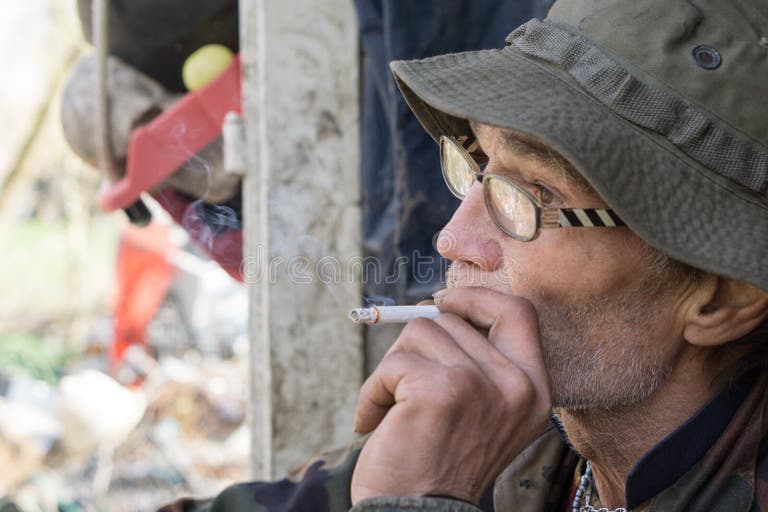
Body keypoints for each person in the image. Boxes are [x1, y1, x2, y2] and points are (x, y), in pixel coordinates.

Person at [161, 0, 768, 510]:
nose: (452, 239)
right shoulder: (500, 433)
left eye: (533, 195)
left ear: (721, 297)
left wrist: (421, 501)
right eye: (477, 166)